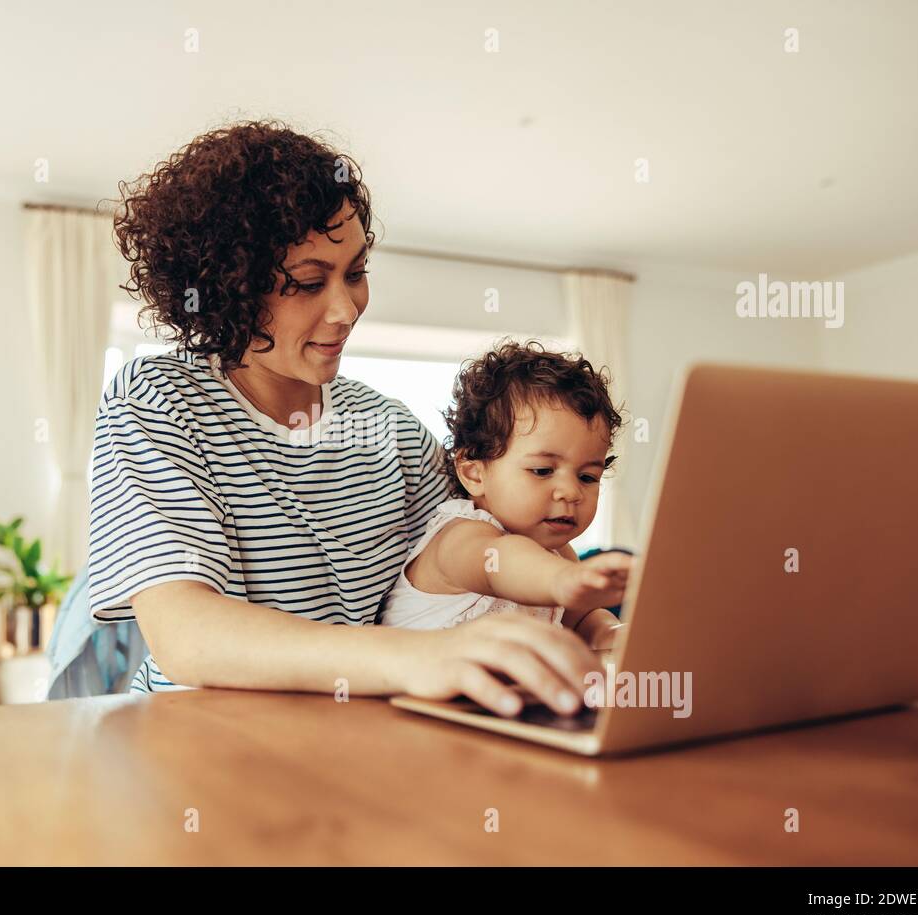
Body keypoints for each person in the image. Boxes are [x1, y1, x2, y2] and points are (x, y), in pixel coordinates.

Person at [46, 119, 600, 719]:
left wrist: (594, 626)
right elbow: (187, 636)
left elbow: (505, 543)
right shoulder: (158, 400)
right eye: (308, 283)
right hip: (197, 751)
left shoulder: (394, 432)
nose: (346, 309)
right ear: (228, 288)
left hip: (360, 747)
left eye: (356, 273)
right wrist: (418, 658)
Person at [379, 341, 631, 650]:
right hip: (406, 691)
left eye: (587, 477)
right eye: (542, 470)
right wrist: (563, 580)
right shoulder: (461, 536)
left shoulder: (560, 554)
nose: (571, 492)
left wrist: (611, 632)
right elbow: (500, 565)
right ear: (475, 474)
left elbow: (580, 619)